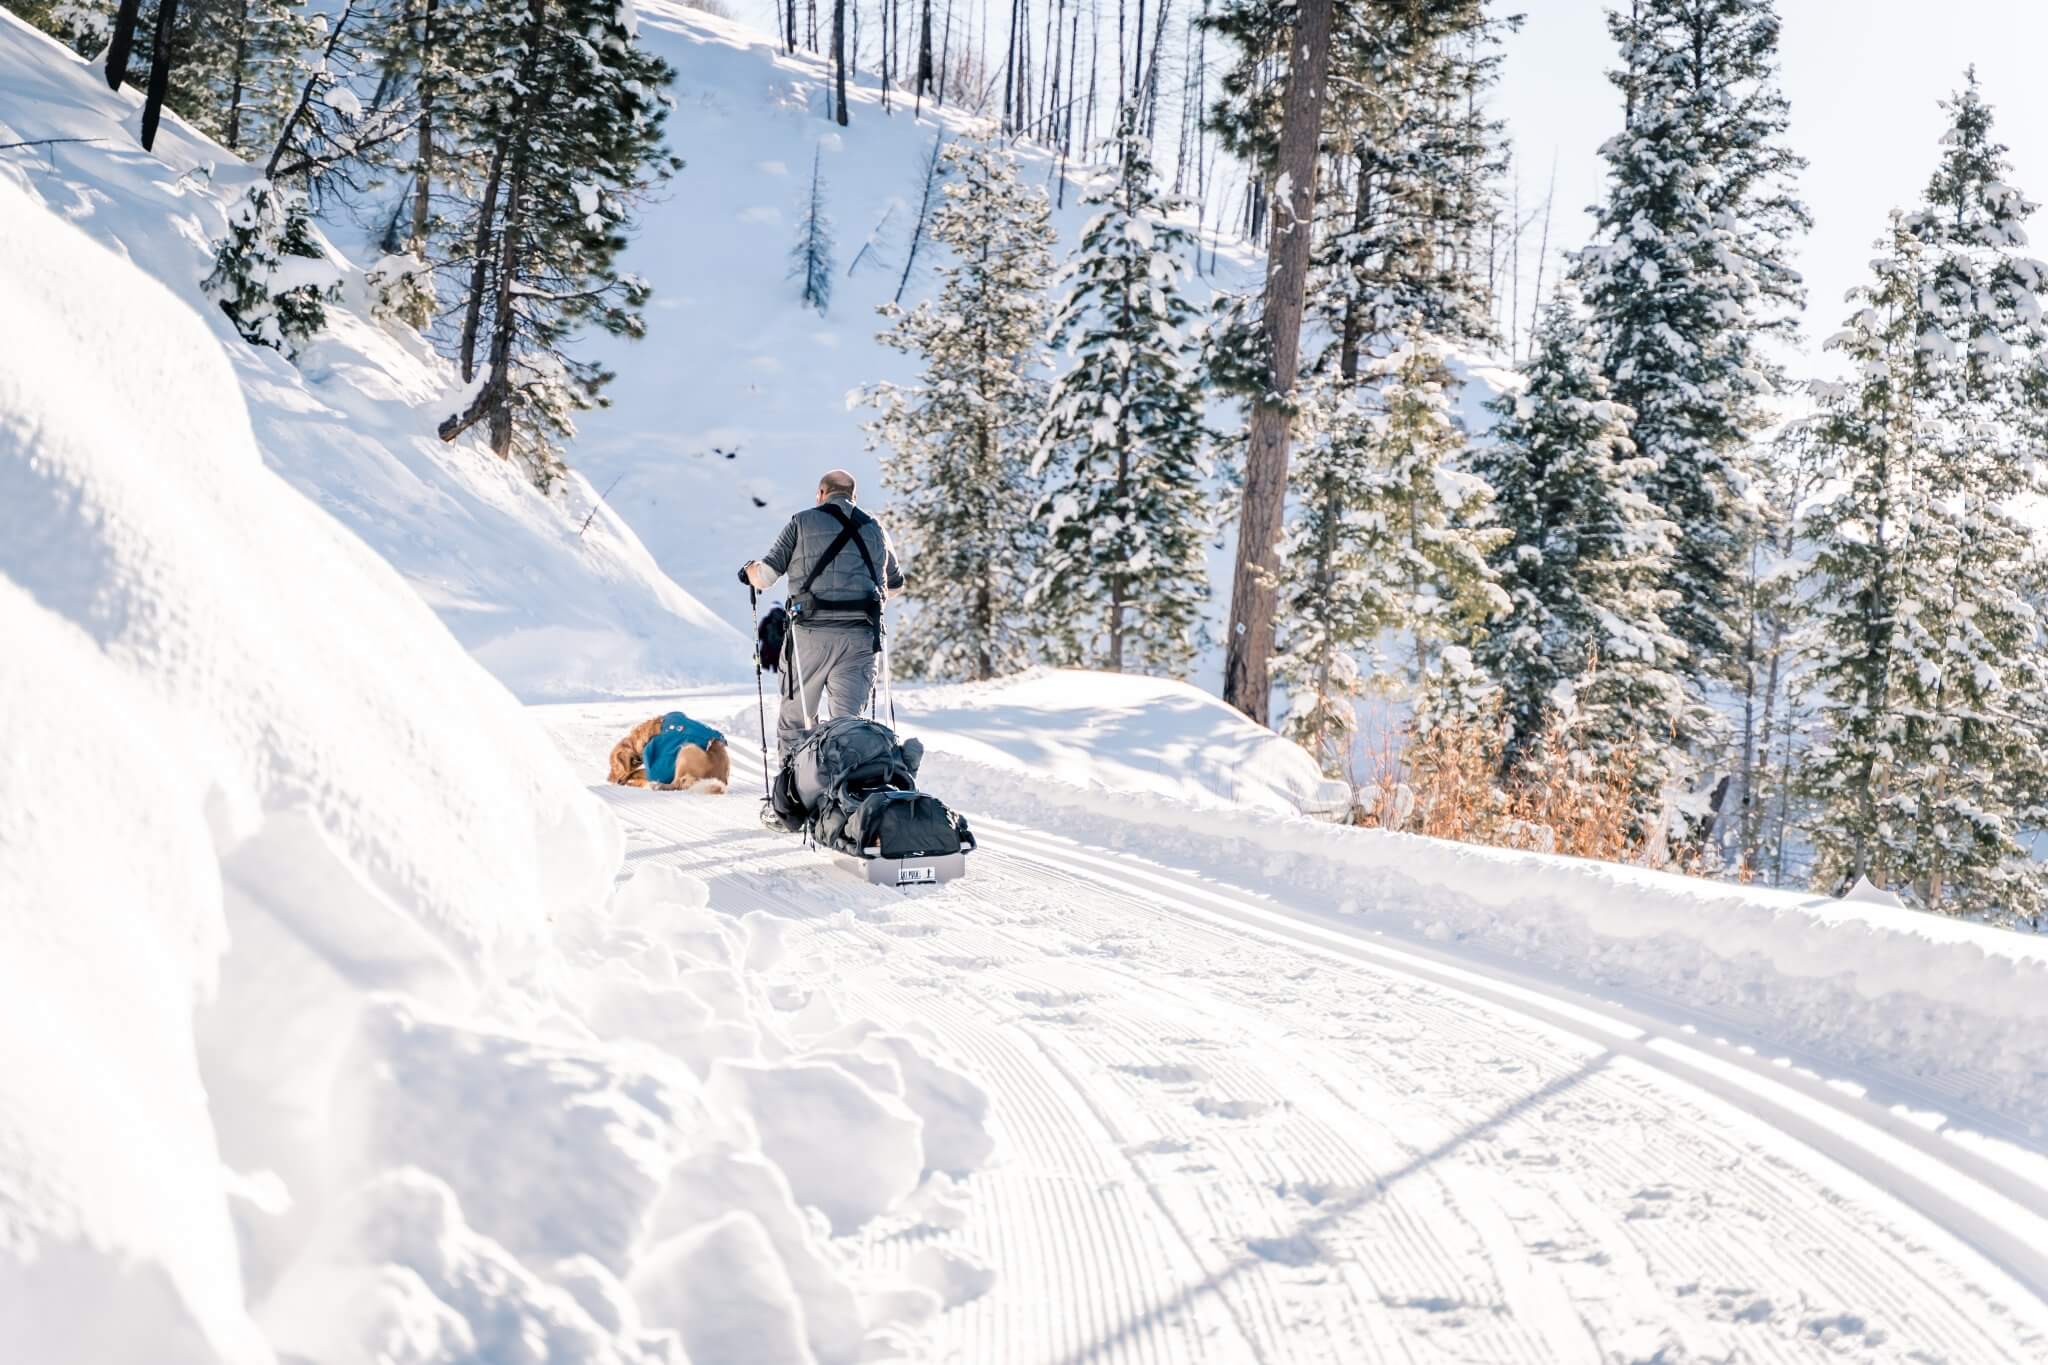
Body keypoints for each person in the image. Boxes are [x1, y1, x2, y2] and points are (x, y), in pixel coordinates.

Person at [742, 469, 904, 756]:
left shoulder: (802, 522)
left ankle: (794, 794)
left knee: (797, 721)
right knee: (849, 725)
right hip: (861, 640)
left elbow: (765, 577)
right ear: (854, 497)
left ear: (821, 494)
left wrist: (749, 570)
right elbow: (895, 585)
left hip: (809, 637)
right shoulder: (875, 528)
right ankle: (846, 792)